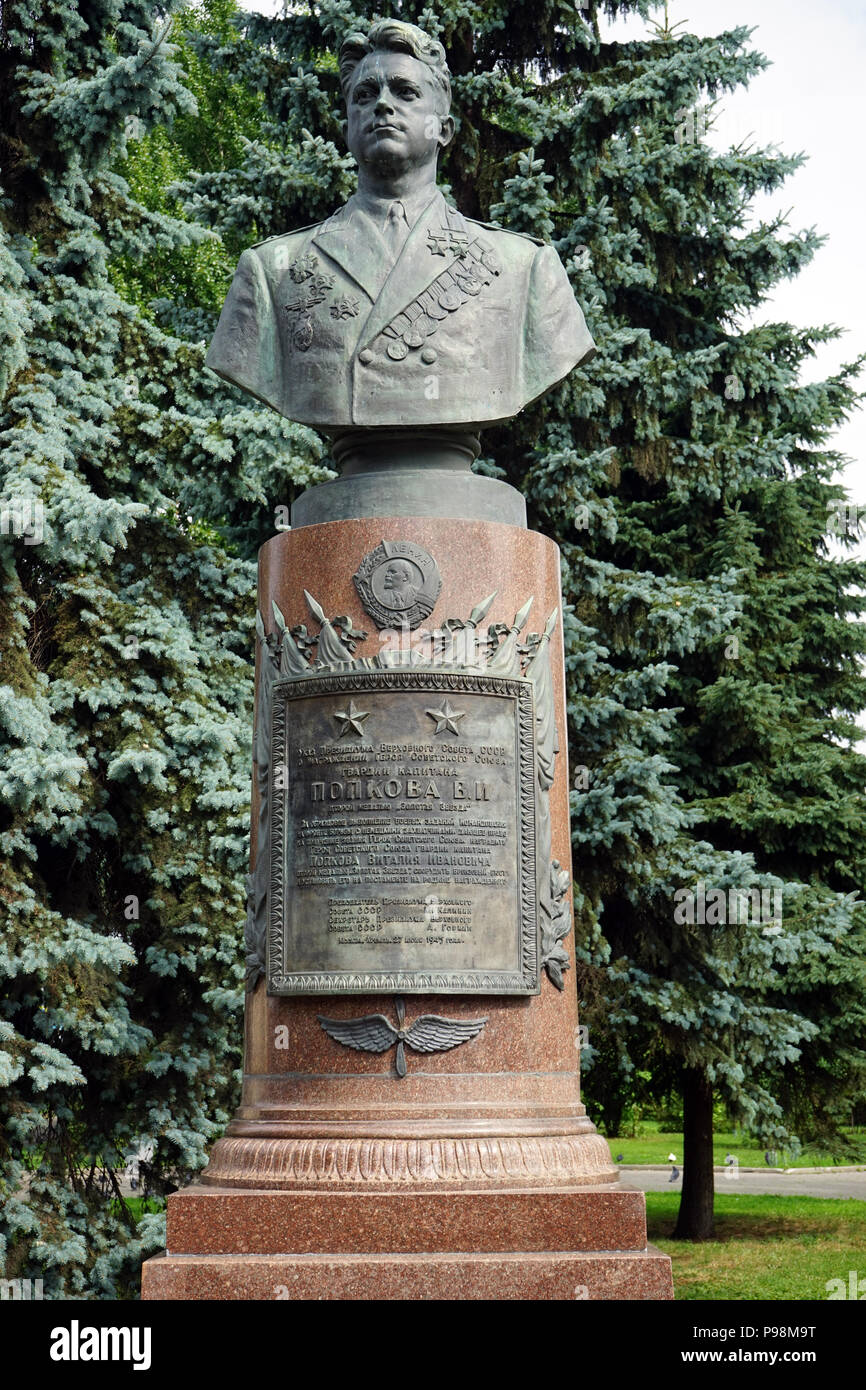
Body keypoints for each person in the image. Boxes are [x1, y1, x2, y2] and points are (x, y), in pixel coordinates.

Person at [206, 19, 595, 435]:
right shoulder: (271, 270)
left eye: (405, 92)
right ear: (347, 130)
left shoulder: (524, 267)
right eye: (365, 95)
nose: (382, 105)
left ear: (443, 130)